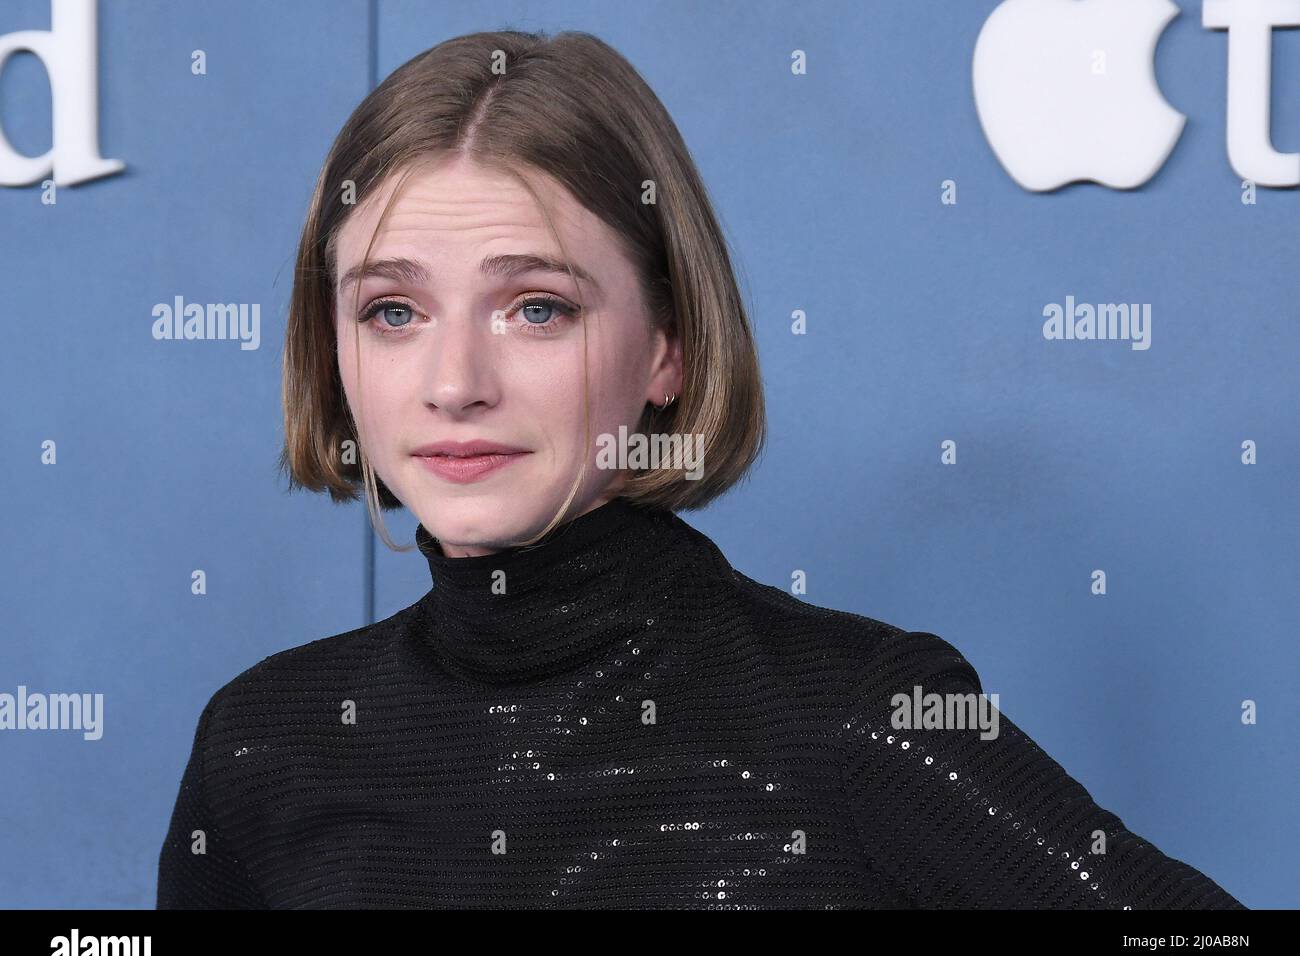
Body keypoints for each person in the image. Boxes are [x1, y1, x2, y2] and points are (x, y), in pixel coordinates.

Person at [156, 29, 1243, 909]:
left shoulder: (861, 712)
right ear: (333, 348)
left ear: (667, 346)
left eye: (536, 307)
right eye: (392, 310)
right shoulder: (264, 742)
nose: (454, 381)